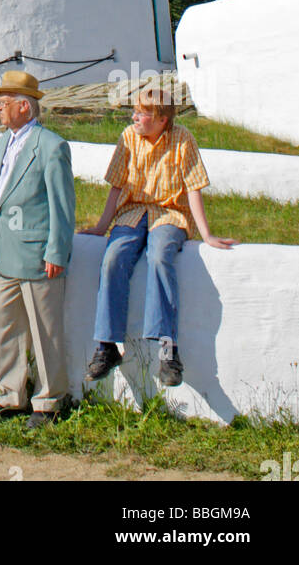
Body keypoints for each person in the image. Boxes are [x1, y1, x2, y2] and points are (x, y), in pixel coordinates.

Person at [80, 83, 238, 387]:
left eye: (142, 113)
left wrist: (206, 234)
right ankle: (106, 346)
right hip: (132, 211)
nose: (135, 118)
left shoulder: (182, 139)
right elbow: (116, 186)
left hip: (169, 213)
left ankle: (167, 348)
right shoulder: (128, 137)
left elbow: (193, 187)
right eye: (136, 112)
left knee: (160, 256)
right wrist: (102, 226)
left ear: (162, 119)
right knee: (113, 257)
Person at [0, 69, 76, 428]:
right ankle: (11, 396)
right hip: (5, 256)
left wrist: (56, 251)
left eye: (4, 103)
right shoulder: (3, 144)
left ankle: (50, 401)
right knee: (5, 326)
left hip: (37, 254)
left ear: (25, 107)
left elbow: (62, 205)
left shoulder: (51, 147)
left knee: (44, 331)